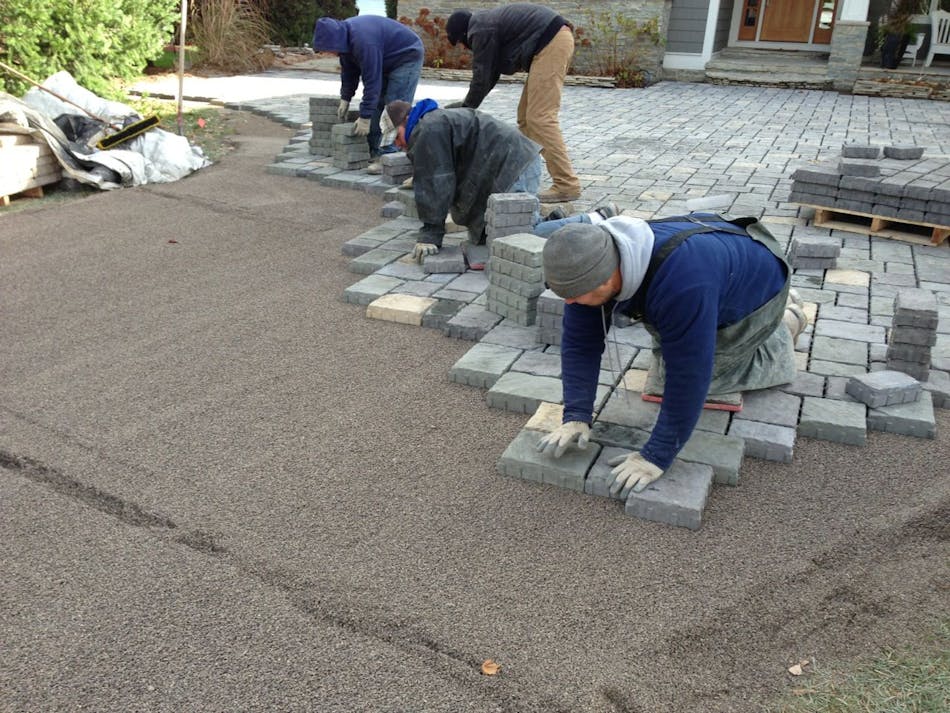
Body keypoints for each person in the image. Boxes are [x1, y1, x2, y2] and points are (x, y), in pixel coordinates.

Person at [536, 215, 809, 498]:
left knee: (707, 376)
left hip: (762, 280)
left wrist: (656, 455)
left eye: (575, 295)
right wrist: (576, 414)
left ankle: (784, 323)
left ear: (609, 276)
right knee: (674, 334)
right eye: (564, 294)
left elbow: (689, 375)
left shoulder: (682, 284)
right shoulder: (592, 260)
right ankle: (717, 312)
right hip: (722, 266)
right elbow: (580, 344)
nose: (569, 302)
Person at [381, 99, 617, 262]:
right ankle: (553, 220)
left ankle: (595, 220)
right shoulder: (432, 123)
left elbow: (438, 181)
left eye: (397, 137)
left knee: (513, 239)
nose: (398, 145)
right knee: (485, 236)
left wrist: (431, 234)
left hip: (513, 167)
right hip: (509, 164)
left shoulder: (428, 130)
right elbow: (441, 174)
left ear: (406, 121)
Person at [444, 4, 581, 203]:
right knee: (525, 118)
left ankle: (567, 184)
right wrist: (468, 105)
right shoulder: (485, 24)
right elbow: (490, 74)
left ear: (464, 32)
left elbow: (482, 77)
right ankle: (525, 176)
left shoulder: (480, 28)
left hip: (552, 42)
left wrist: (467, 108)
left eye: (462, 42)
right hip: (551, 42)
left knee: (540, 118)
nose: (465, 47)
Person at [311, 15, 424, 174]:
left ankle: (389, 156)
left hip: (406, 56)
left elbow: (372, 82)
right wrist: (345, 98)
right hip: (385, 57)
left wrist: (364, 117)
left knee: (394, 106)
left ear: (334, 41)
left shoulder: (363, 42)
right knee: (377, 104)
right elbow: (349, 74)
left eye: (326, 50)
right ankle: (374, 150)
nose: (327, 54)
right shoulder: (344, 44)